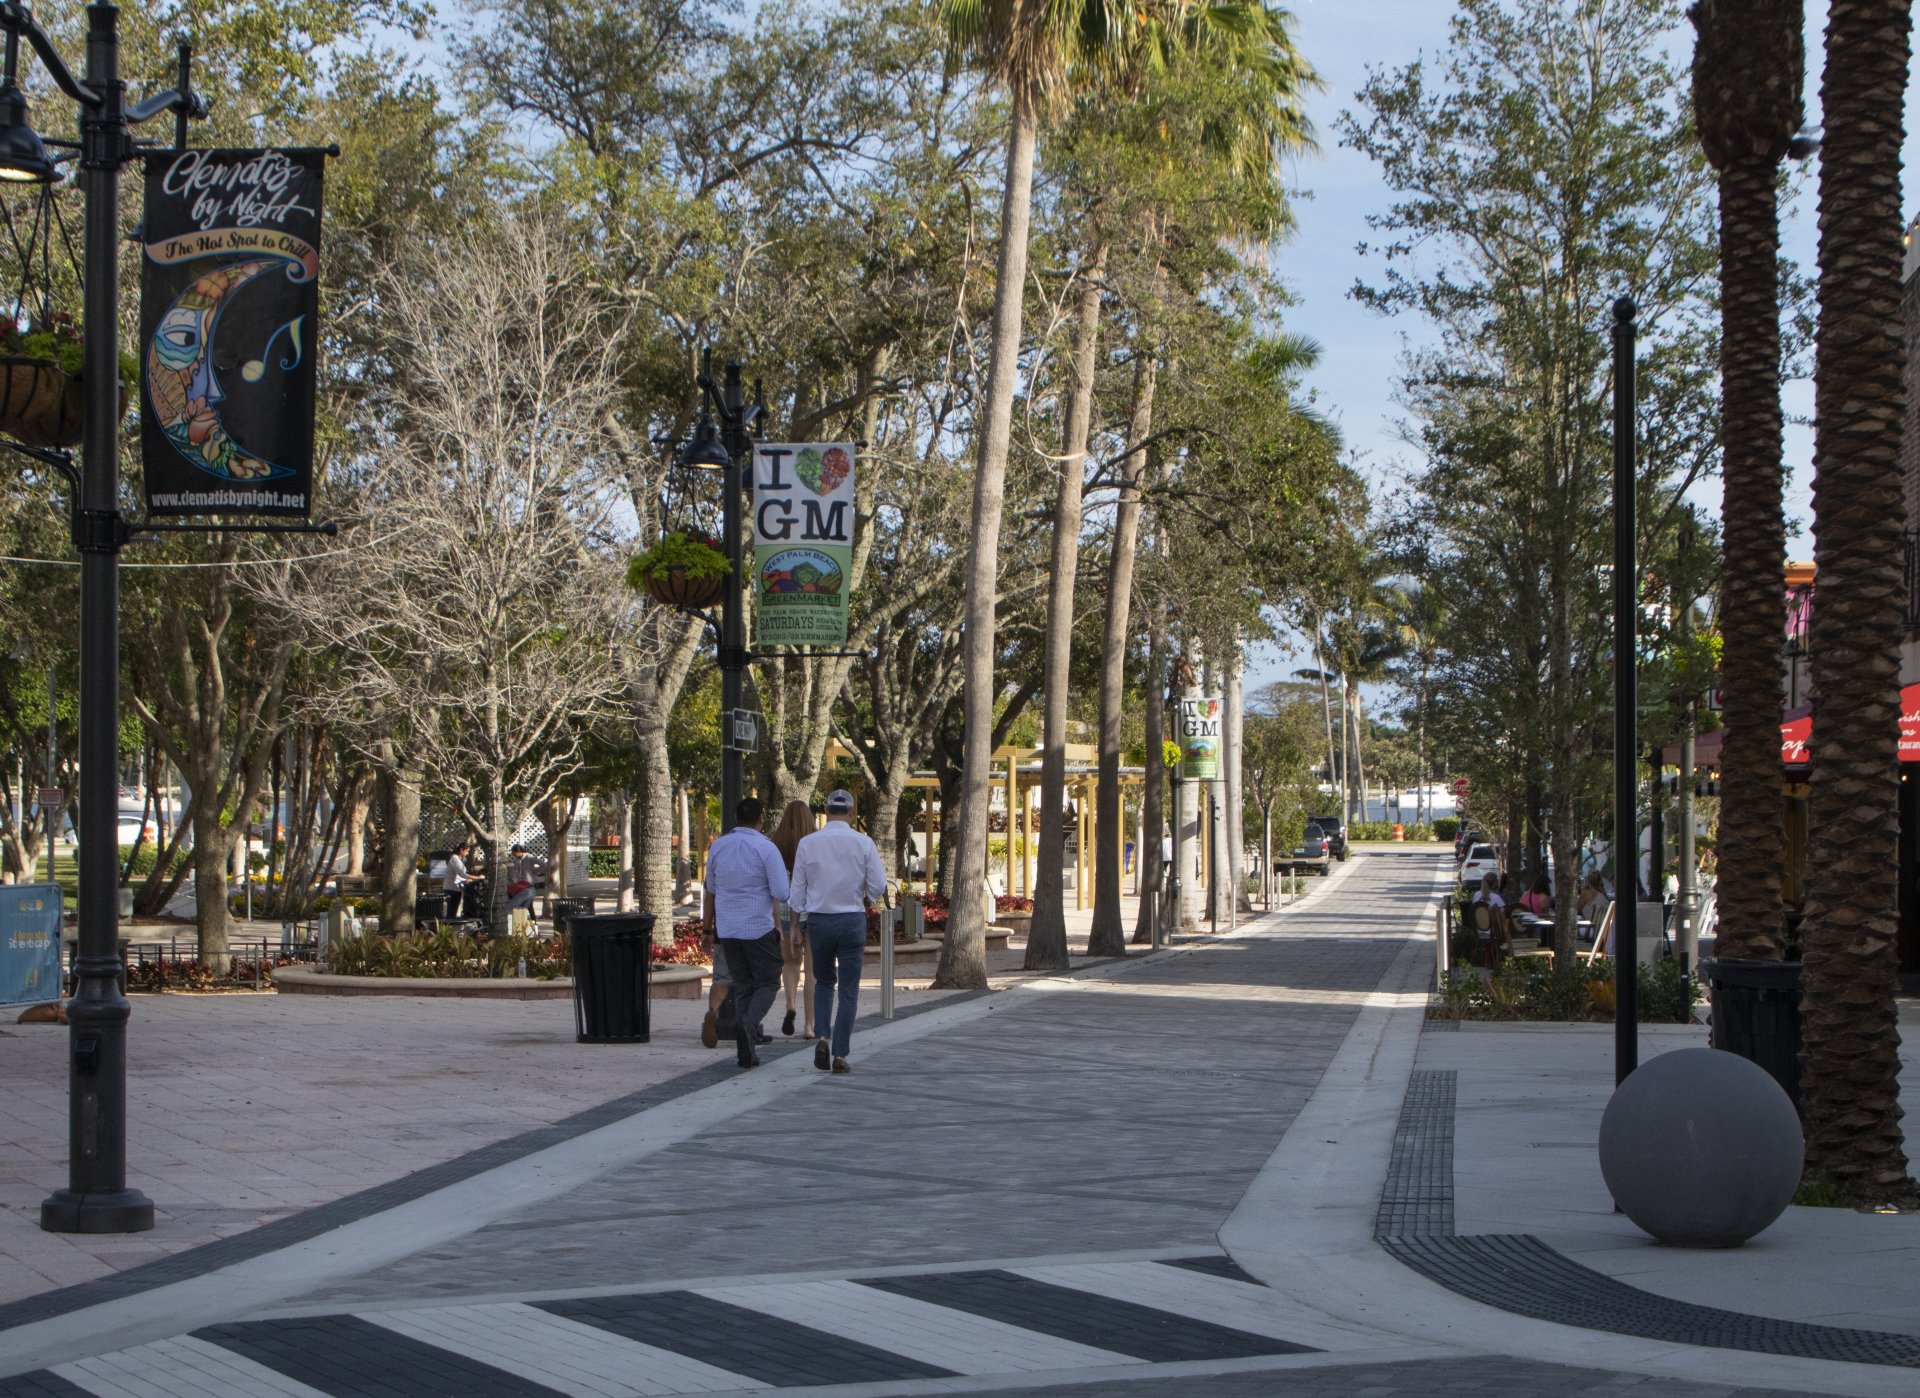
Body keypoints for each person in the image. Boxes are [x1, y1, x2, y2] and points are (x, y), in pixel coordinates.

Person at [790, 788, 886, 1074]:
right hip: (851, 919)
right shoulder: (864, 843)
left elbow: (797, 891)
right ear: (851, 813)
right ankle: (840, 1054)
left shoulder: (808, 843)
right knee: (848, 988)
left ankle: (822, 1036)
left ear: (826, 810)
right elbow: (878, 885)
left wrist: (794, 927)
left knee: (822, 982)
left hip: (819, 920)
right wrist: (866, 893)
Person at [701, 796, 789, 1070]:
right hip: (757, 927)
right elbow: (781, 892)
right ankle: (748, 1024)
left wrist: (707, 928)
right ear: (760, 820)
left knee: (743, 984)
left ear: (736, 819)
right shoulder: (766, 848)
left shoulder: (718, 847)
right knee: (768, 982)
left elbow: (711, 888)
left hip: (728, 928)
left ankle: (746, 1051)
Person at [770, 800, 816, 1039]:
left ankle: (790, 1005)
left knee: (790, 962)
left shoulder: (775, 841)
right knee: (812, 971)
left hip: (784, 906)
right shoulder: (814, 841)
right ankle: (809, 1025)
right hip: (813, 906)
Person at [505, 842, 548, 915]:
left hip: (529, 885)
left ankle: (533, 919)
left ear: (519, 851)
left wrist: (535, 871)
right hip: (521, 885)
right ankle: (531, 919)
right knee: (527, 905)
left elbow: (543, 865)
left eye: (514, 853)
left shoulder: (529, 857)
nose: (513, 855)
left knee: (529, 904)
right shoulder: (517, 860)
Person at [441, 841, 472, 922]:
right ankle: (450, 926)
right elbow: (462, 874)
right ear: (461, 850)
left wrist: (466, 880)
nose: (467, 853)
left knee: (453, 910)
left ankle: (450, 925)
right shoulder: (455, 858)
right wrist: (477, 877)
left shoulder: (456, 858)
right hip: (452, 888)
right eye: (467, 851)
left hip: (453, 887)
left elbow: (457, 874)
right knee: (452, 911)